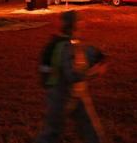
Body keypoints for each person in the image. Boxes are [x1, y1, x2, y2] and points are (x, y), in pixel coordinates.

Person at [35, 11, 105, 143]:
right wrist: (95, 72)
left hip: (71, 93)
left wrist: (97, 54)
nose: (84, 24)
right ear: (74, 25)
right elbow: (72, 74)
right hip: (63, 94)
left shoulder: (62, 42)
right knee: (52, 134)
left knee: (90, 129)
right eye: (80, 21)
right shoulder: (66, 46)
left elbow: (81, 52)